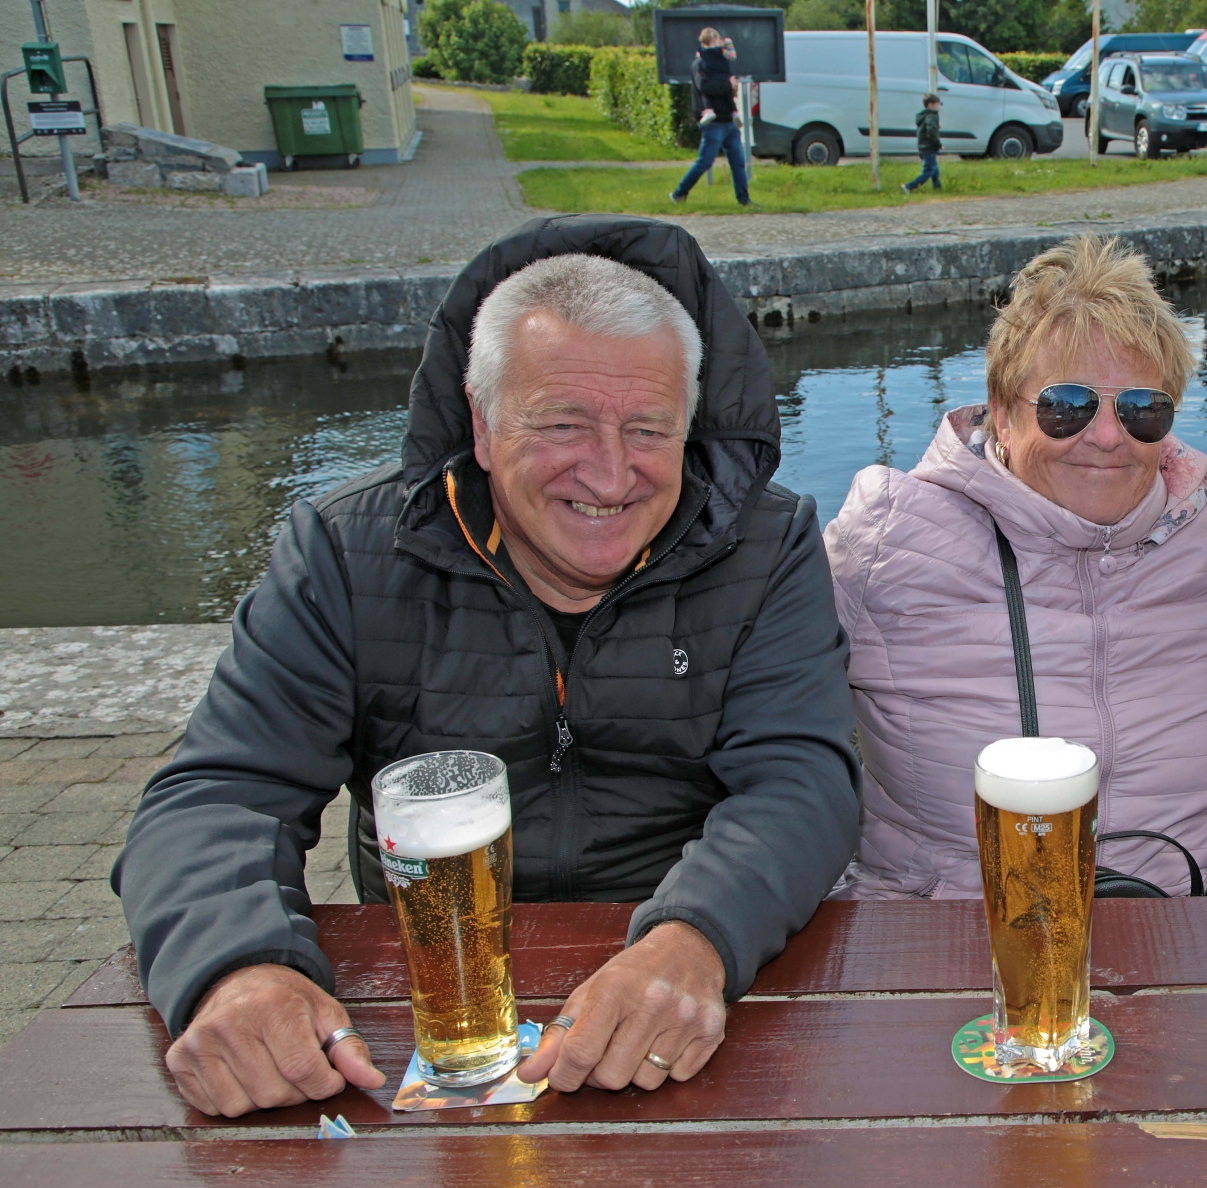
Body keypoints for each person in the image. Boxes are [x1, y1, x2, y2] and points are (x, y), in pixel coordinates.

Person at [113, 217, 861, 1117]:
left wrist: (695, 942)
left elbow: (801, 780)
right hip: (430, 1012)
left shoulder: (767, 545)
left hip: (685, 991)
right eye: (563, 424)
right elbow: (218, 795)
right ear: (480, 419)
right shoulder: (345, 555)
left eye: (649, 429)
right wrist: (237, 968)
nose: (612, 473)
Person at [824, 236, 1207, 900]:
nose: (1109, 436)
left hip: (1198, 937)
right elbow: (757, 715)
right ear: (1001, 415)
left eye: (1141, 409)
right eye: (1068, 405)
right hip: (948, 947)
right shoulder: (890, 534)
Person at [672, 28, 751, 208]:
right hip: (712, 122)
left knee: (738, 162)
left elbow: (725, 81)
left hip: (728, 120)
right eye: (716, 40)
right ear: (708, 41)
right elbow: (705, 87)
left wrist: (732, 87)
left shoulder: (720, 63)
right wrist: (728, 84)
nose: (720, 43)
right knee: (705, 162)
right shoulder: (700, 64)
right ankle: (678, 193)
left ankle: (744, 200)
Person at [904, 92, 943, 193]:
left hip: (922, 147)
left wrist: (936, 125)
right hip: (929, 147)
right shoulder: (932, 116)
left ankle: (937, 186)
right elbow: (931, 132)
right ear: (931, 105)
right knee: (929, 170)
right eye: (937, 104)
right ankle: (909, 186)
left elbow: (926, 128)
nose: (939, 107)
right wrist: (938, 144)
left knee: (934, 168)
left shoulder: (923, 116)